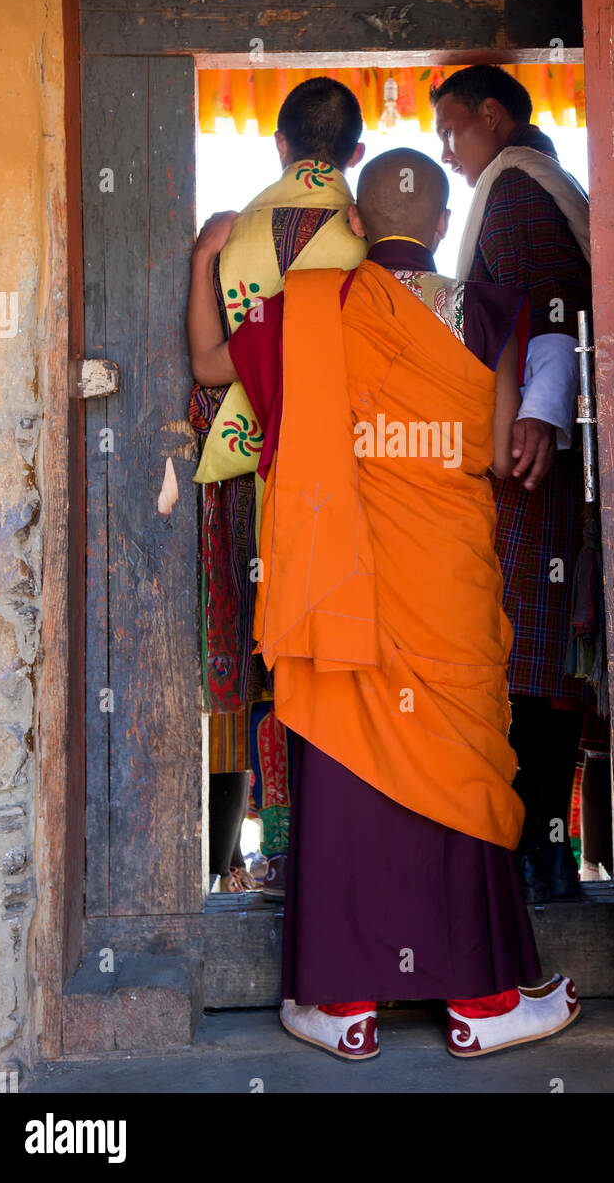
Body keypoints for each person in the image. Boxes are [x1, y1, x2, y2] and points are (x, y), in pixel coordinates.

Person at [187, 148, 580, 1060]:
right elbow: (493, 454)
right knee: (460, 776)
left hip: (342, 593)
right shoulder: (490, 313)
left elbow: (212, 366)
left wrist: (209, 259)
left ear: (355, 225)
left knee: (350, 776)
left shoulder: (311, 311)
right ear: (445, 226)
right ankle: (482, 1003)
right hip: (445, 588)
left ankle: (340, 1005)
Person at [431, 64, 608, 902]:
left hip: (536, 457)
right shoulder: (536, 182)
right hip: (545, 448)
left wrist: (537, 413)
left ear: (493, 118)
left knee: (532, 654)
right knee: (543, 654)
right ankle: (541, 852)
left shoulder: (517, 190)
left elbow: (552, 310)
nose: (449, 152)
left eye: (454, 130)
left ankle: (534, 852)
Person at [187, 77, 367, 892]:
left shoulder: (237, 236)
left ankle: (281, 854)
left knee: (276, 665)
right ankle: (345, 851)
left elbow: (209, 369)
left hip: (266, 481)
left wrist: (202, 261)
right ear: (355, 155)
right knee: (351, 670)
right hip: (365, 485)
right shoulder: (373, 236)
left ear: (280, 147)